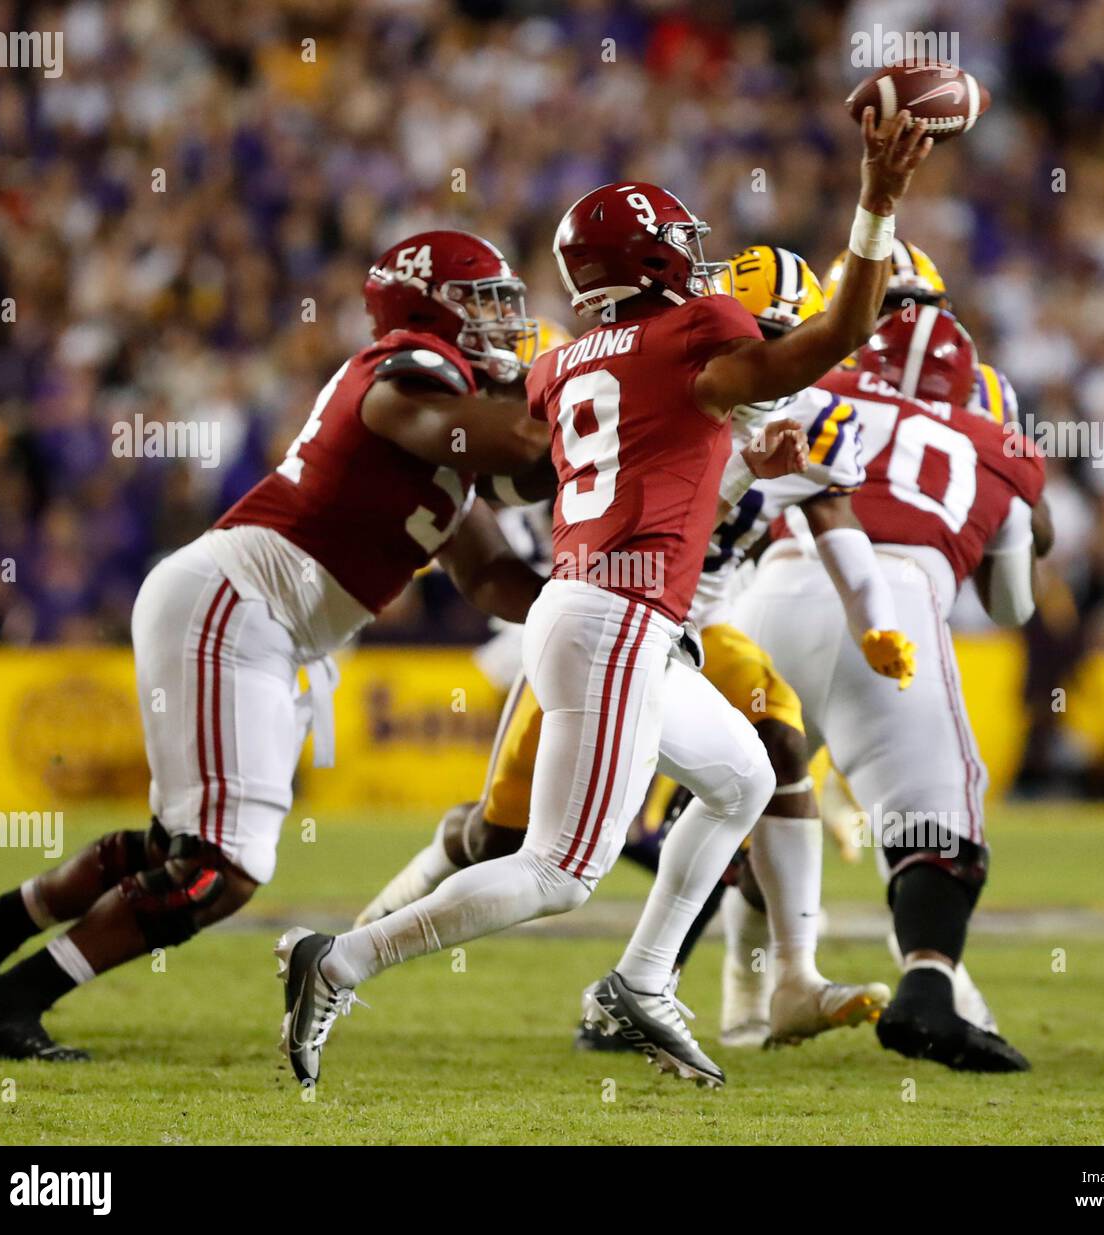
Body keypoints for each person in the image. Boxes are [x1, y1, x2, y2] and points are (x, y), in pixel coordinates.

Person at [276, 107, 932, 1090]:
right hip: (619, 617)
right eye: (682, 244)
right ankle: (336, 960)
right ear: (652, 259)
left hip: (599, 609)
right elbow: (835, 331)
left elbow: (638, 442)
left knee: (744, 778)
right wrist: (878, 201)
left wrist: (741, 459)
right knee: (557, 871)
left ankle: (641, 980)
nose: (699, 261)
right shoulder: (689, 333)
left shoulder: (562, 362)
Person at [0, 230, 551, 1061]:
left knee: (180, 853)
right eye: (485, 301)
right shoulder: (405, 376)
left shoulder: (447, 436)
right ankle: (8, 1000)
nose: (506, 322)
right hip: (233, 605)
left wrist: (584, 607)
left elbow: (491, 573)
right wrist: (603, 420)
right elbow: (522, 449)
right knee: (219, 870)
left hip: (261, 623)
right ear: (431, 309)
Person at [732, 306, 1049, 1071]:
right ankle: (929, 991)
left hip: (767, 594)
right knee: (935, 827)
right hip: (891, 603)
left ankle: (655, 990)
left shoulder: (813, 391)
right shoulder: (994, 442)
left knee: (734, 806)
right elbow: (1012, 607)